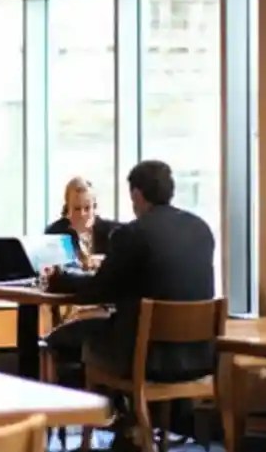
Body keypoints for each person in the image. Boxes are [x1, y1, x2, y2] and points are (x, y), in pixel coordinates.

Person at [44, 160, 216, 383]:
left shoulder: (132, 234)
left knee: (59, 339)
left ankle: (101, 413)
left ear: (136, 194)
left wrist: (60, 280)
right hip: (197, 356)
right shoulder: (201, 229)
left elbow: (99, 290)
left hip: (144, 355)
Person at [45, 177, 118, 270]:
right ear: (68, 209)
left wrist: (103, 262)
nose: (82, 214)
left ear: (94, 207)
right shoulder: (54, 234)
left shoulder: (112, 231)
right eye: (77, 209)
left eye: (87, 208)